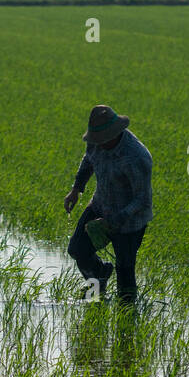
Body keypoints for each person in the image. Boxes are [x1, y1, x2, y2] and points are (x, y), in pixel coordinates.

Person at [63, 105, 153, 305]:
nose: (97, 145)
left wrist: (112, 221)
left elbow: (142, 200)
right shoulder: (97, 141)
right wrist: (76, 189)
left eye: (102, 141)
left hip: (130, 220)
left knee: (125, 268)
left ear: (115, 133)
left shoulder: (136, 157)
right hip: (100, 204)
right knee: (78, 250)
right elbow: (89, 160)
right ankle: (99, 278)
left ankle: (127, 313)